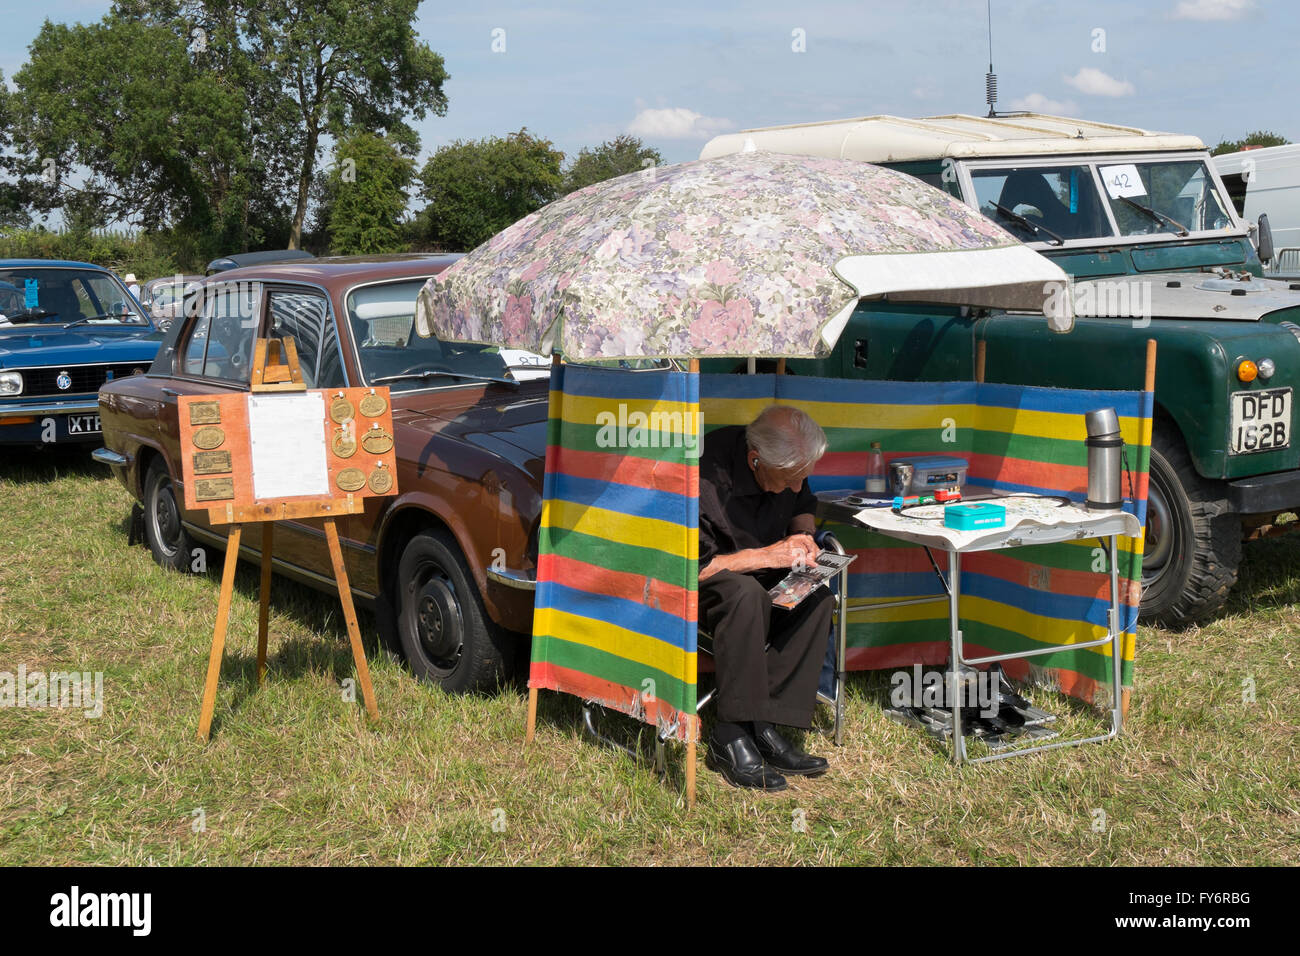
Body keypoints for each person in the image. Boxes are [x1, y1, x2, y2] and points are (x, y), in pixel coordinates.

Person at [698, 404, 834, 791]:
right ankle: (730, 735)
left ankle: (764, 724)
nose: (795, 486)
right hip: (708, 585)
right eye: (790, 479)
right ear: (755, 460)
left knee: (815, 596)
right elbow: (693, 567)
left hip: (763, 574)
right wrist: (766, 555)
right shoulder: (703, 477)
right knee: (746, 595)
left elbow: (802, 505)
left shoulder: (787, 466)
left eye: (801, 478)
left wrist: (803, 536)